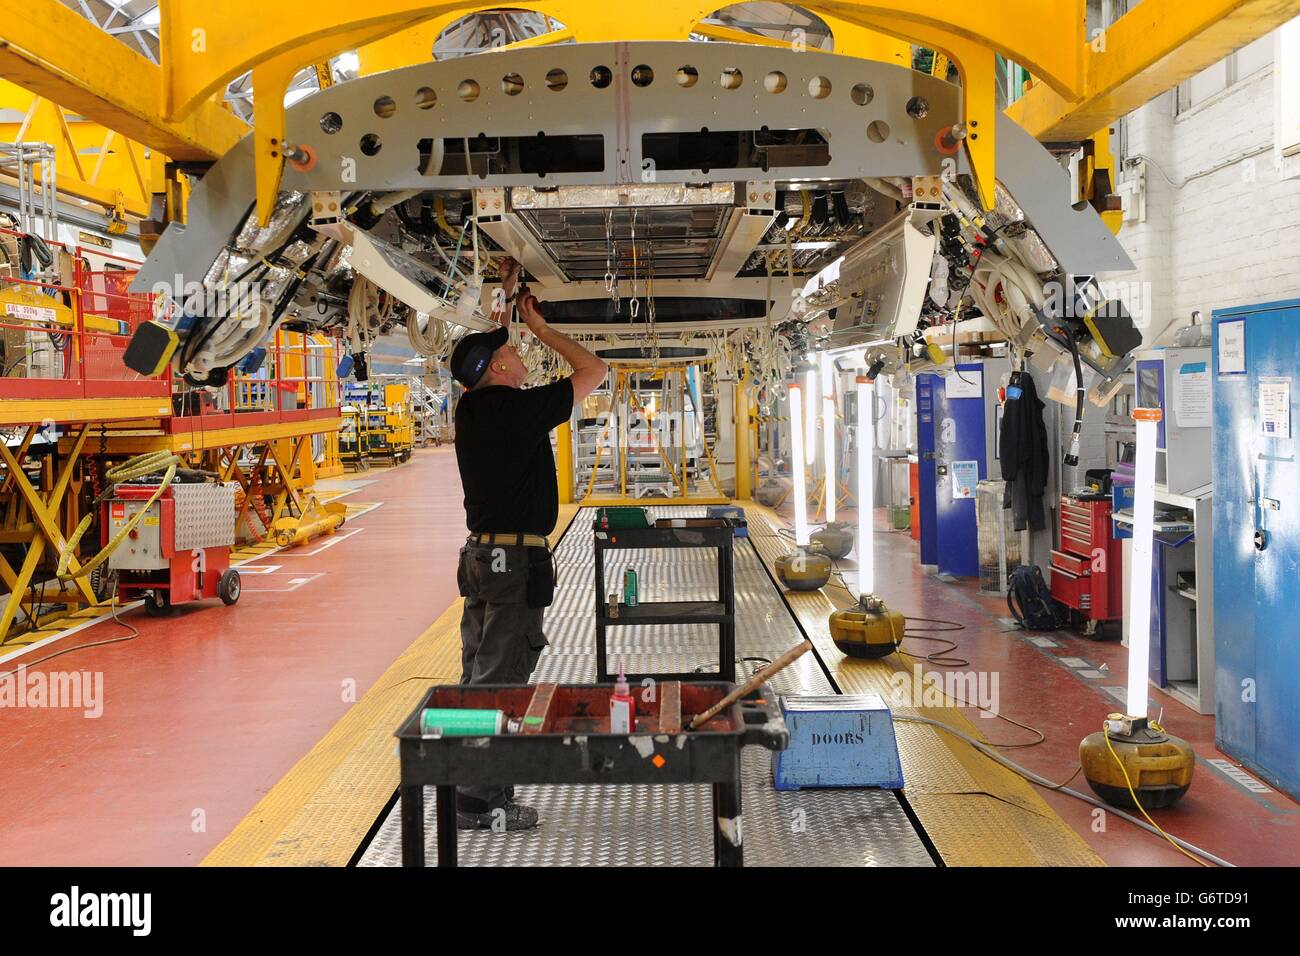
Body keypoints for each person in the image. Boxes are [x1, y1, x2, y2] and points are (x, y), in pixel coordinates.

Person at [447, 259, 608, 831]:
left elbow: (499, 352)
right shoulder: (517, 410)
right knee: (503, 677)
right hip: (512, 562)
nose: (520, 354)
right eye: (509, 351)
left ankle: (466, 782)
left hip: (482, 558)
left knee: (477, 672)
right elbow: (595, 370)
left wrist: (510, 296)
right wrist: (542, 328)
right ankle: (480, 800)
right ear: (496, 369)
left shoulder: (473, 409)